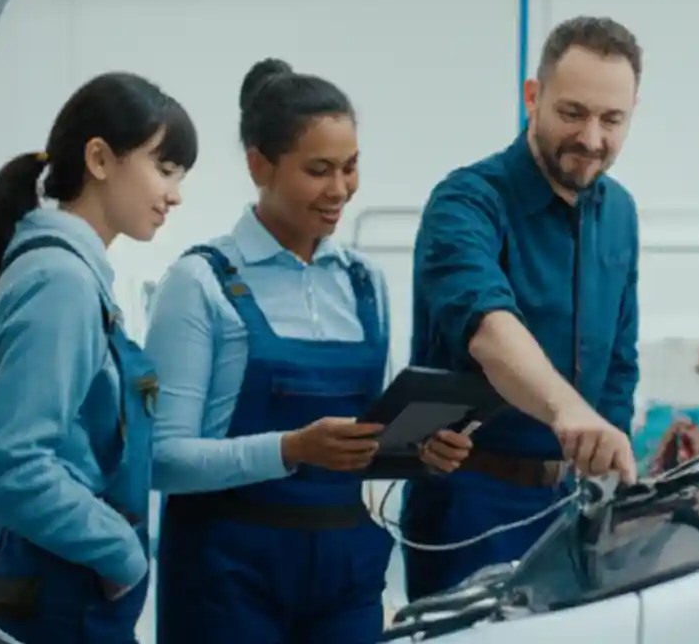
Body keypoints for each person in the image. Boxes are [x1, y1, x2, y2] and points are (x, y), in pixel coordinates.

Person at [145, 58, 473, 644]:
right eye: (319, 170)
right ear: (259, 165)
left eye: (350, 169)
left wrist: (422, 448)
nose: (340, 190)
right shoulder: (199, 283)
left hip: (345, 572)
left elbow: (368, 438)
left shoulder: (364, 284)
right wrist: (292, 448)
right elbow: (163, 460)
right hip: (228, 577)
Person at [401, 15, 644, 600]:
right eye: (572, 113)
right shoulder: (467, 202)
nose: (592, 138)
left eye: (612, 120)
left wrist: (615, 469)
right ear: (532, 97)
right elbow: (488, 328)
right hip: (470, 500)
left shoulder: (619, 215)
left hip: (572, 503)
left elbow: (618, 361)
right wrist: (568, 412)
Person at [0, 72, 198, 644]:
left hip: (51, 573)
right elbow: (6, 465)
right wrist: (121, 552)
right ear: (99, 158)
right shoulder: (61, 280)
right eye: (163, 169)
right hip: (53, 587)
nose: (175, 194)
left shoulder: (68, 273)